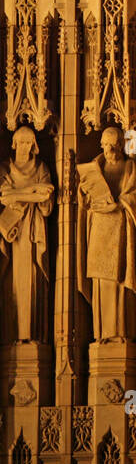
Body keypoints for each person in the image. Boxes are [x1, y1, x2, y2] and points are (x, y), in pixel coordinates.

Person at [76, 126, 136, 339]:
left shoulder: (130, 166)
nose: (109, 149)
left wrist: (120, 203)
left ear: (121, 145)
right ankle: (101, 334)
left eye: (114, 145)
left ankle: (120, 334)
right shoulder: (96, 167)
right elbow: (84, 200)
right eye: (106, 144)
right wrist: (85, 195)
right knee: (100, 281)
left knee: (119, 282)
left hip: (120, 230)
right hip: (98, 230)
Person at [0, 125, 55, 342]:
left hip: (33, 233)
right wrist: (33, 191)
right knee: (11, 284)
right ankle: (12, 335)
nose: (24, 147)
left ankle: (30, 335)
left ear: (34, 145)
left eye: (28, 143)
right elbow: (5, 197)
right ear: (13, 144)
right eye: (20, 142)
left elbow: (46, 199)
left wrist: (19, 195)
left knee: (32, 282)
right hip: (12, 234)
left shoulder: (41, 168)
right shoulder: (5, 168)